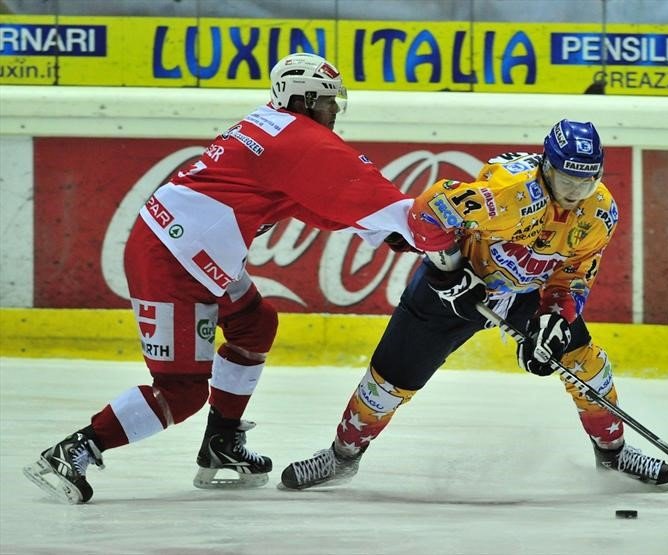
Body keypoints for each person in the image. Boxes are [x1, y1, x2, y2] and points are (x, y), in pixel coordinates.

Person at [22, 52, 455, 504]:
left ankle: (221, 444)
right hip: (173, 261)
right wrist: (424, 229)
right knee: (181, 392)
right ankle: (76, 449)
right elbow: (378, 199)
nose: (333, 114)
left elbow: (314, 204)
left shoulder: (272, 127)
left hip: (188, 246)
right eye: (328, 103)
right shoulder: (300, 140)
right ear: (305, 101)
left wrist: (385, 231)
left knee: (254, 324)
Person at [280, 119, 668, 492]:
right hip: (452, 292)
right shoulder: (509, 196)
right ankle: (341, 458)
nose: (575, 193)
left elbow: (575, 273)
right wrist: (449, 272)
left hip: (525, 293)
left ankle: (612, 454)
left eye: (585, 182)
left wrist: (555, 317)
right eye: (567, 180)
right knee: (387, 383)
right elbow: (426, 211)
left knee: (585, 363)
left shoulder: (599, 213)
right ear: (546, 167)